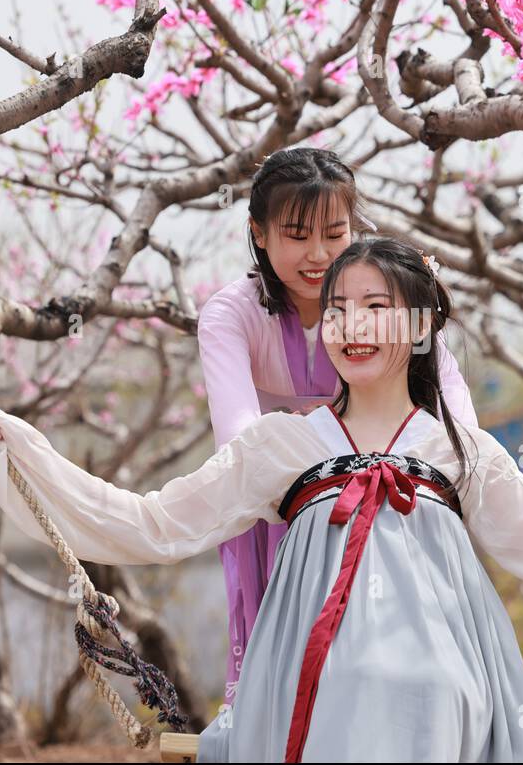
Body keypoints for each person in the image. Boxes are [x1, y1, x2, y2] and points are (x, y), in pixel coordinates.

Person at [0, 236, 523, 762]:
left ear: (420, 327)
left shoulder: (462, 451)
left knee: (426, 695)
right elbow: (152, 523)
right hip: (313, 688)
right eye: (338, 309)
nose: (352, 325)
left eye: (377, 306)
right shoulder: (282, 444)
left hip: (444, 687)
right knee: (348, 693)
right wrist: (24, 458)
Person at [195, 147, 478, 704]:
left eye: (334, 232)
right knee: (278, 670)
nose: (318, 254)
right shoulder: (232, 314)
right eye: (296, 234)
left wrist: (442, 475)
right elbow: (240, 439)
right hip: (276, 504)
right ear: (259, 232)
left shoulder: (382, 299)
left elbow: (455, 413)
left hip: (393, 498)